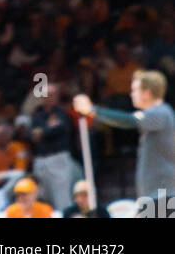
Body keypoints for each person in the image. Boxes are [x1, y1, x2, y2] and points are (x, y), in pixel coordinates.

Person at [74, 71, 175, 216]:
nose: (131, 94)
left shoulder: (160, 113)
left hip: (162, 195)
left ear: (146, 93)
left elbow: (127, 120)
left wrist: (92, 110)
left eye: (134, 90)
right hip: (156, 196)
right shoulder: (157, 115)